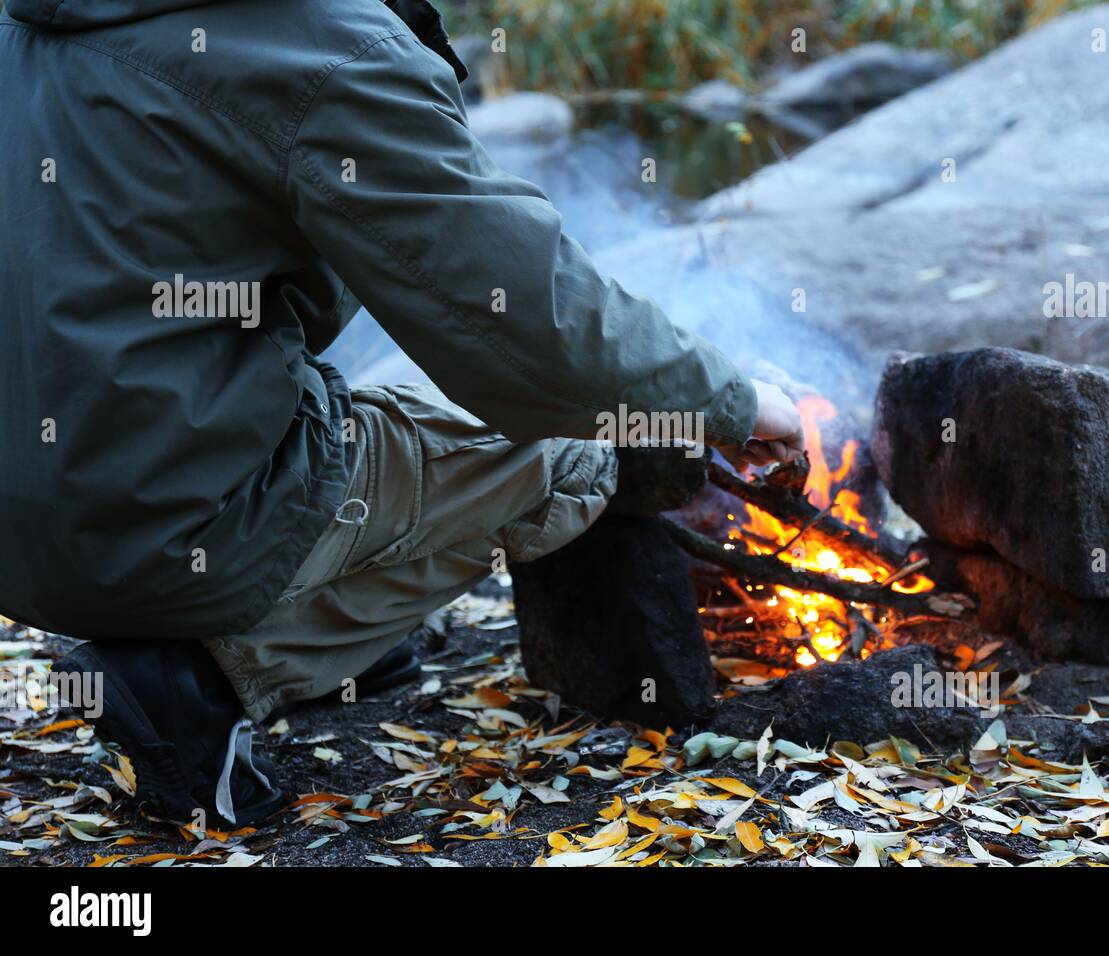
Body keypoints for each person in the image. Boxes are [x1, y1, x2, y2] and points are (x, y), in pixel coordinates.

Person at [0, 0, 805, 826]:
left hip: (22, 534)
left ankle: (332, 642)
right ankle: (216, 674)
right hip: (160, 517)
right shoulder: (314, 40)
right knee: (574, 454)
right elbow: (533, 331)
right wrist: (734, 399)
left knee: (326, 406)